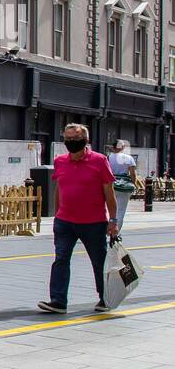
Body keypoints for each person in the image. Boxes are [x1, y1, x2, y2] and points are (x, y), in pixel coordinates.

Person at [40, 124, 119, 314]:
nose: (71, 143)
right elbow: (59, 188)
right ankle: (58, 301)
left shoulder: (100, 161)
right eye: (67, 139)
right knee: (61, 259)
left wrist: (113, 220)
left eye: (75, 139)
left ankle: (105, 298)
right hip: (65, 222)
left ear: (86, 140)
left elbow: (109, 192)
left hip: (94, 222)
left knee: (98, 261)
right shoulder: (60, 161)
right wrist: (58, 214)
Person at [107, 139, 137, 229]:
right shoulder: (129, 158)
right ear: (123, 147)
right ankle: (116, 232)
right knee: (120, 210)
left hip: (110, 184)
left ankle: (107, 229)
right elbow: (133, 174)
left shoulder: (108, 157)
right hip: (124, 186)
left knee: (108, 209)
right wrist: (134, 184)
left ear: (113, 147)